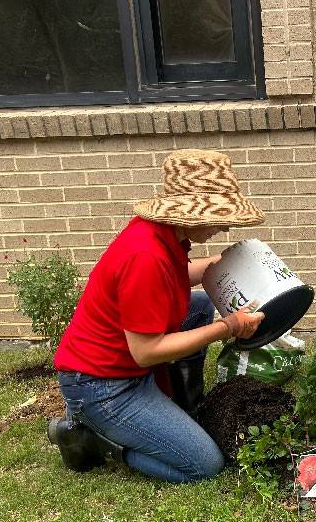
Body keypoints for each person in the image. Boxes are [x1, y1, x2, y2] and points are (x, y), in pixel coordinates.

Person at [47, 149, 266, 483]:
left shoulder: (162, 236)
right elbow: (146, 351)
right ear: (190, 214)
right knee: (204, 465)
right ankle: (90, 437)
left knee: (198, 306)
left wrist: (222, 266)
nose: (224, 227)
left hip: (120, 365)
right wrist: (228, 326)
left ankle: (183, 407)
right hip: (103, 386)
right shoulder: (145, 255)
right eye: (219, 217)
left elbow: (174, 276)